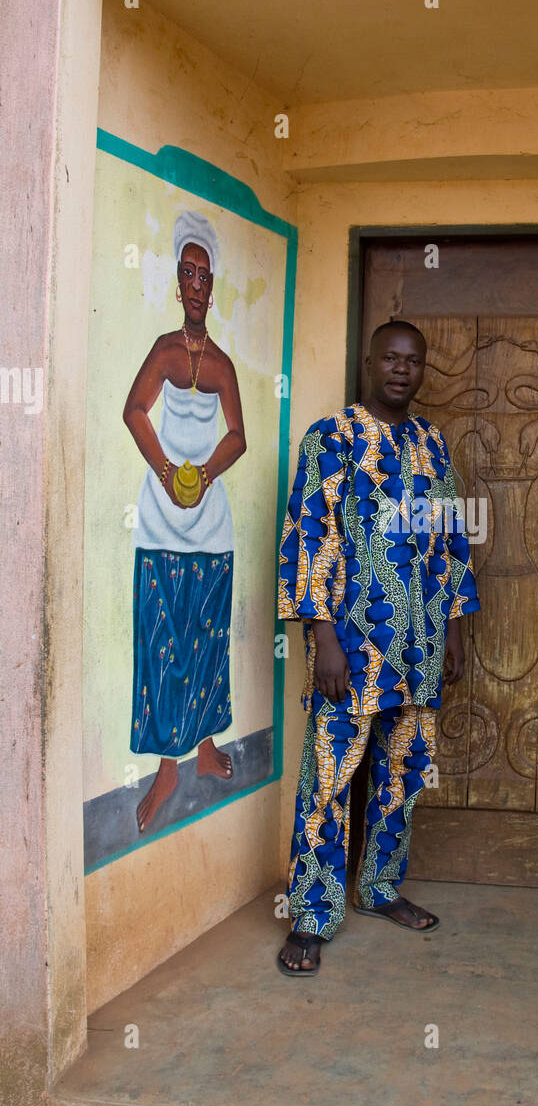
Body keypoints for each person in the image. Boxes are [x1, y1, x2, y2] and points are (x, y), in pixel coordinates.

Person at [276, 320, 480, 974]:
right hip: (352, 651)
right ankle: (310, 916)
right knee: (329, 779)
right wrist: (323, 637)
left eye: (413, 360)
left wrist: (452, 630)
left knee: (403, 774)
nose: (401, 369)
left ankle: (380, 888)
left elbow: (450, 544)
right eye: (390, 357)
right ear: (370, 362)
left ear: (424, 370)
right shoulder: (330, 439)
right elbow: (310, 536)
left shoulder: (432, 446)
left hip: (418, 649)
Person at [123, 211, 246, 834]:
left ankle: (203, 746)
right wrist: (171, 473)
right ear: (177, 284)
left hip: (211, 526)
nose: (197, 283)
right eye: (187, 273)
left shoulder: (221, 363)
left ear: (212, 287)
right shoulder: (165, 352)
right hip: (160, 523)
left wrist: (206, 476)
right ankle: (168, 762)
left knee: (206, 636)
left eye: (205, 274)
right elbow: (134, 410)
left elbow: (238, 437)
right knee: (163, 636)